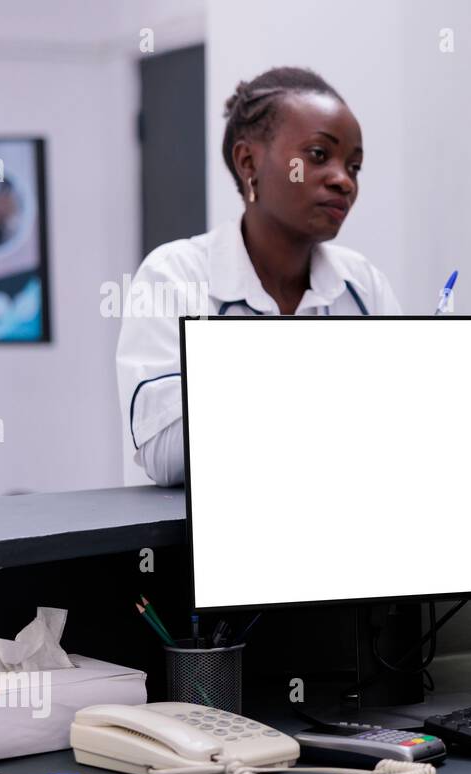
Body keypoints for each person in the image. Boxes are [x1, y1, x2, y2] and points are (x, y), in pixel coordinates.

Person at [115, 67, 402, 487]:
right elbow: (165, 451)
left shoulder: (364, 285)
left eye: (354, 167)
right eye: (319, 155)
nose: (344, 180)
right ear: (249, 162)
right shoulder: (174, 276)